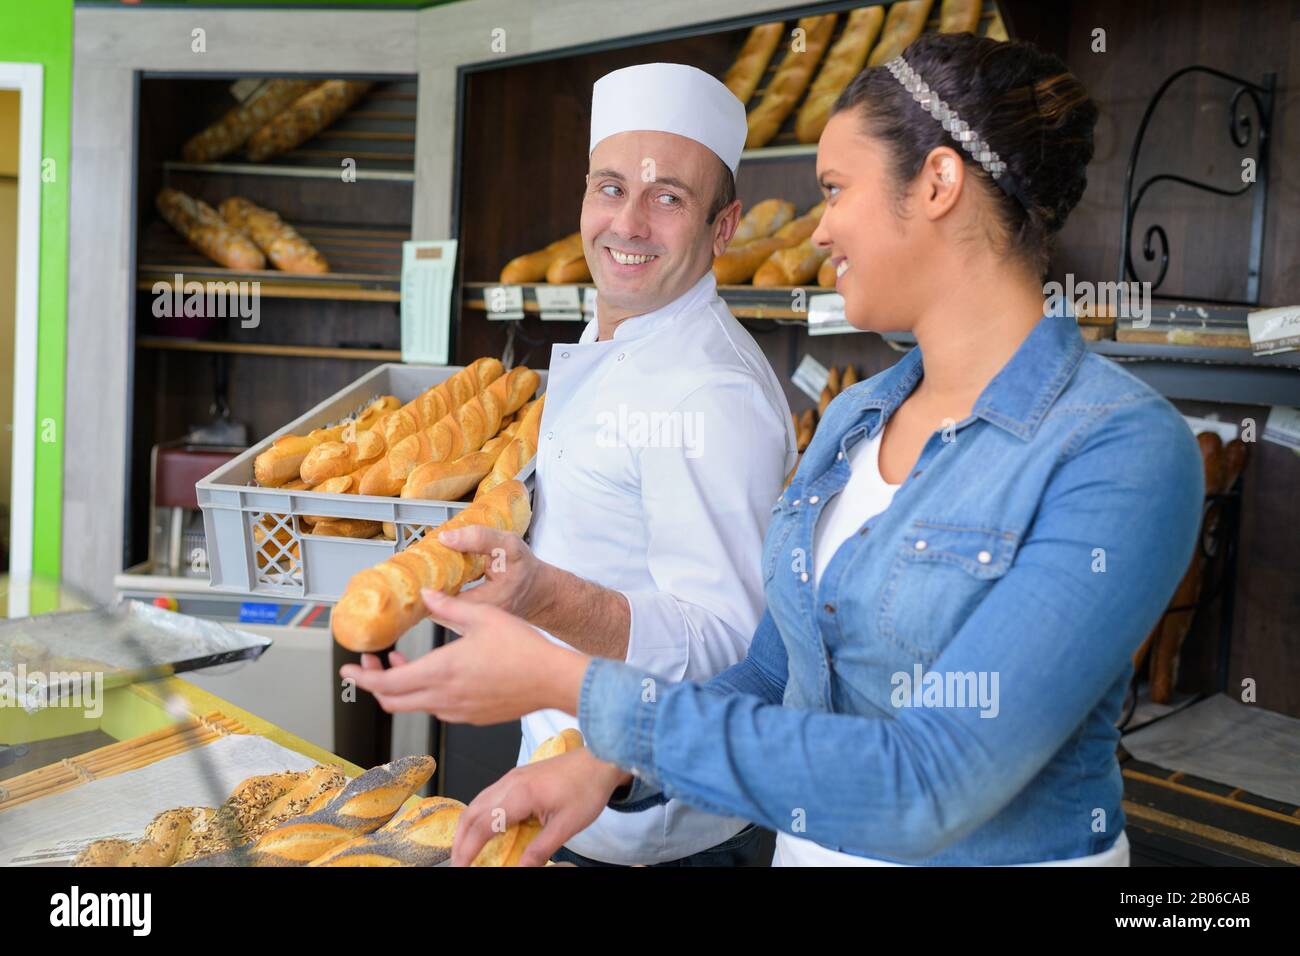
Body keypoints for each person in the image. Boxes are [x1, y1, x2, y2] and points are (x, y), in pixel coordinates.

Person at [346, 33, 1204, 866]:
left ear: (938, 182)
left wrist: (573, 689)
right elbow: (769, 666)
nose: (819, 230)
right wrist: (603, 764)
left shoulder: (1118, 451)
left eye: (834, 189)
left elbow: (931, 784)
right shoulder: (859, 417)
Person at [343, 62, 795, 866]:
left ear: (722, 229)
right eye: (610, 188)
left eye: (668, 198)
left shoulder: (712, 394)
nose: (627, 224)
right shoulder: (613, 332)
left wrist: (542, 593)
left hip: (653, 831)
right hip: (555, 791)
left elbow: (734, 649)